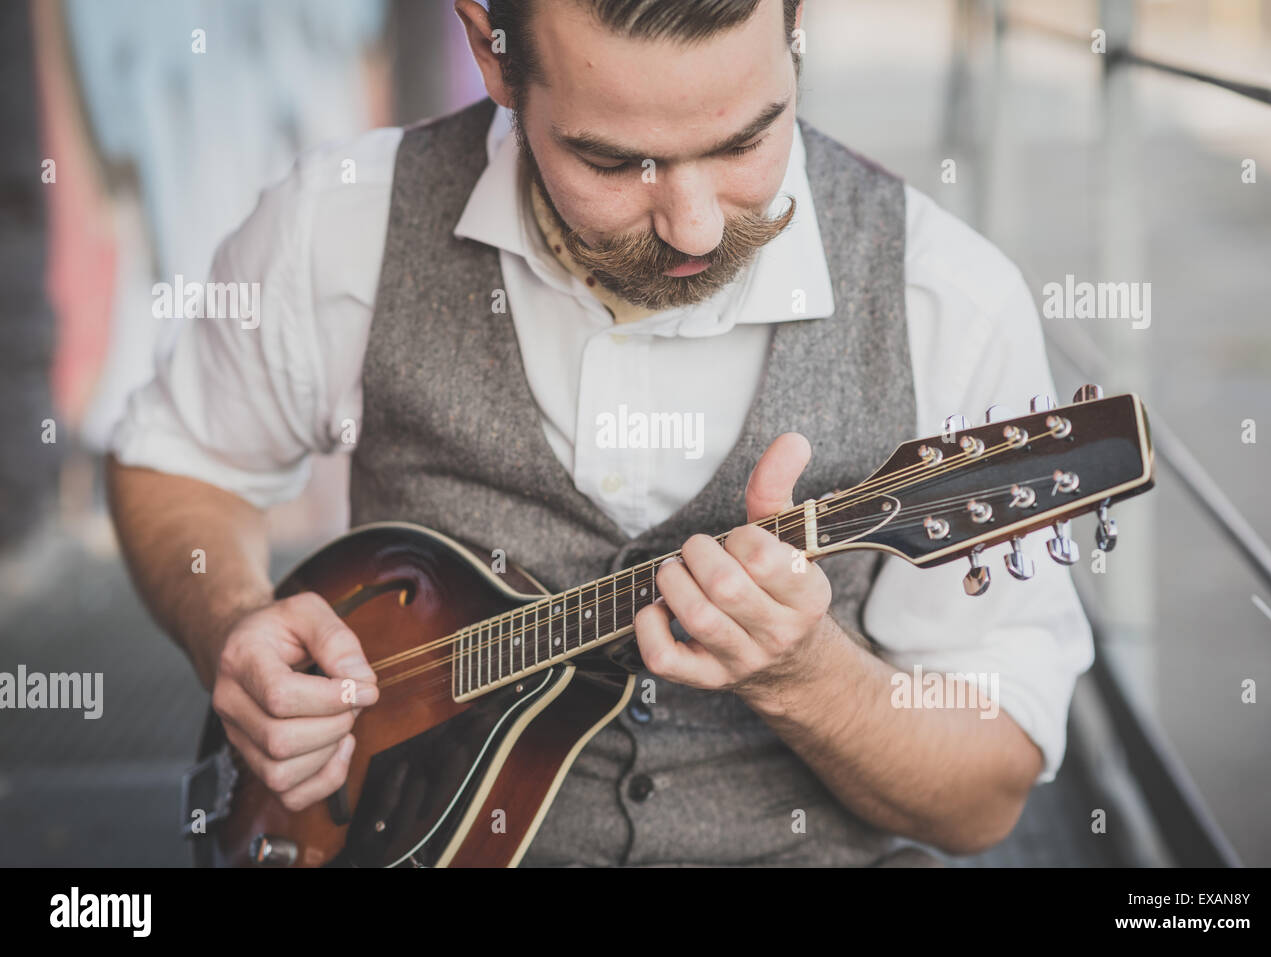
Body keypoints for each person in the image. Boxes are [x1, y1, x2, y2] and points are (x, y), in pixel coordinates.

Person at [107, 0, 1093, 866]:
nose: (696, 227)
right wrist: (229, 622)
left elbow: (982, 802)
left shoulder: (949, 304)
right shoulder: (337, 227)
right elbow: (180, 464)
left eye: (747, 141)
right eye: (616, 161)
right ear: (491, 53)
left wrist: (809, 681)